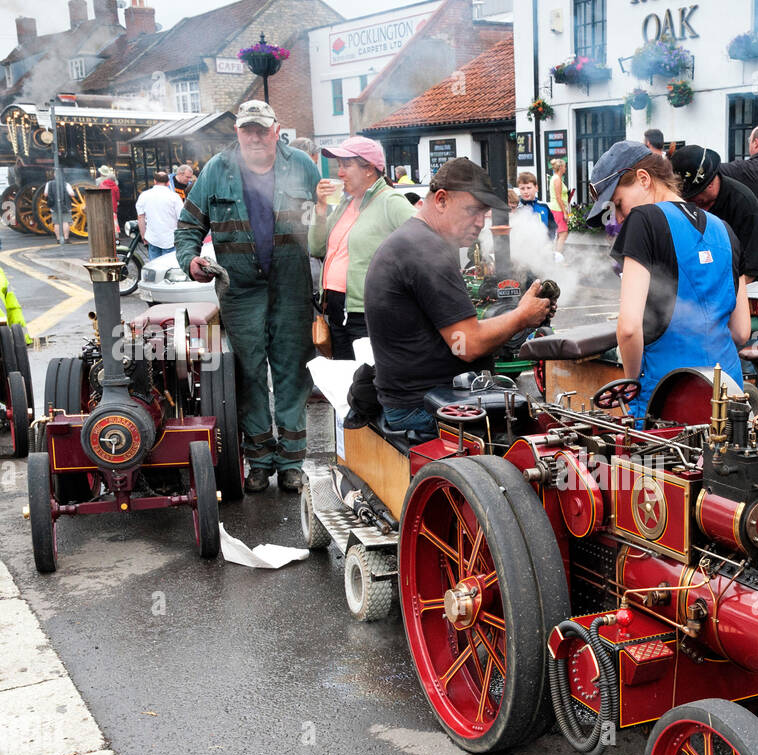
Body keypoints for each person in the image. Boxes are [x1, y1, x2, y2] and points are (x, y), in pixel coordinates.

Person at [175, 100, 320, 494]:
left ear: (276, 130)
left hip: (291, 287)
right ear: (238, 133)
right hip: (240, 291)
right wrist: (190, 260)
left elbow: (323, 222)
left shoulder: (303, 166)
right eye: (247, 130)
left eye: (261, 129)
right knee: (250, 375)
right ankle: (259, 461)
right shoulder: (216, 171)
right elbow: (188, 224)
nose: (254, 137)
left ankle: (290, 462)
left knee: (293, 373)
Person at [364, 157, 555, 440]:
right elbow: (468, 344)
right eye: (471, 211)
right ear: (441, 199)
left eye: (484, 213)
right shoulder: (428, 250)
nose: (480, 222)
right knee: (534, 439)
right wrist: (522, 316)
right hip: (422, 406)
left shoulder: (415, 240)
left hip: (415, 396)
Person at [586, 141, 748, 421]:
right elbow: (742, 331)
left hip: (668, 399)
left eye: (619, 205)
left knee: (652, 464)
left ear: (644, 179)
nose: (620, 218)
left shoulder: (643, 220)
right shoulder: (725, 230)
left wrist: (631, 382)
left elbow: (627, 329)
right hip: (729, 393)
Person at [308, 135, 414, 360]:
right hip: (336, 310)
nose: (339, 172)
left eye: (346, 165)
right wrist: (321, 206)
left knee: (366, 382)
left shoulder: (390, 201)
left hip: (367, 312)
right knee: (346, 383)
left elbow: (425, 241)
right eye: (339, 165)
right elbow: (316, 247)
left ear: (369, 169)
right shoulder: (346, 203)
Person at [671, 145, 758, 285]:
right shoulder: (683, 204)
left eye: (693, 196)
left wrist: (714, 294)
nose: (688, 202)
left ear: (709, 184)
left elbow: (751, 272)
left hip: (736, 290)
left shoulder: (745, 205)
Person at [135, 170, 183, 263]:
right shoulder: (174, 197)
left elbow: (140, 217)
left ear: (154, 181)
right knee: (170, 268)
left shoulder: (144, 196)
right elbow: (181, 218)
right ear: (168, 182)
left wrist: (143, 235)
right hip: (171, 239)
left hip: (153, 238)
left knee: (155, 266)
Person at [514, 170, 556, 244]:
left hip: (544, 248)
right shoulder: (517, 209)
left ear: (536, 188)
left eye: (529, 188)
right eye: (522, 188)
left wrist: (549, 242)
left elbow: (552, 226)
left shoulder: (544, 207)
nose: (525, 191)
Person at [44, 173, 73, 245]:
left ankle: (58, 239)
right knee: (65, 222)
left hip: (54, 206)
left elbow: (45, 194)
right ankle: (66, 239)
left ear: (54, 175)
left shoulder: (49, 183)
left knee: (56, 223)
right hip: (65, 206)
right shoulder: (66, 184)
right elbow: (72, 194)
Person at [548, 158, 570, 253]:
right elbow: (558, 197)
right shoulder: (557, 179)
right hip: (558, 210)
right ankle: (558, 258)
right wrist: (565, 213)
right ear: (560, 167)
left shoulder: (555, 178)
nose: (565, 168)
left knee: (559, 235)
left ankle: (556, 257)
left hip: (556, 209)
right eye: (565, 166)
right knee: (563, 234)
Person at [96, 165, 121, 234]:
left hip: (102, 204)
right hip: (113, 205)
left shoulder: (98, 182)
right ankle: (115, 234)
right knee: (114, 220)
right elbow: (118, 197)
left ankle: (104, 232)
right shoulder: (115, 184)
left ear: (101, 173)